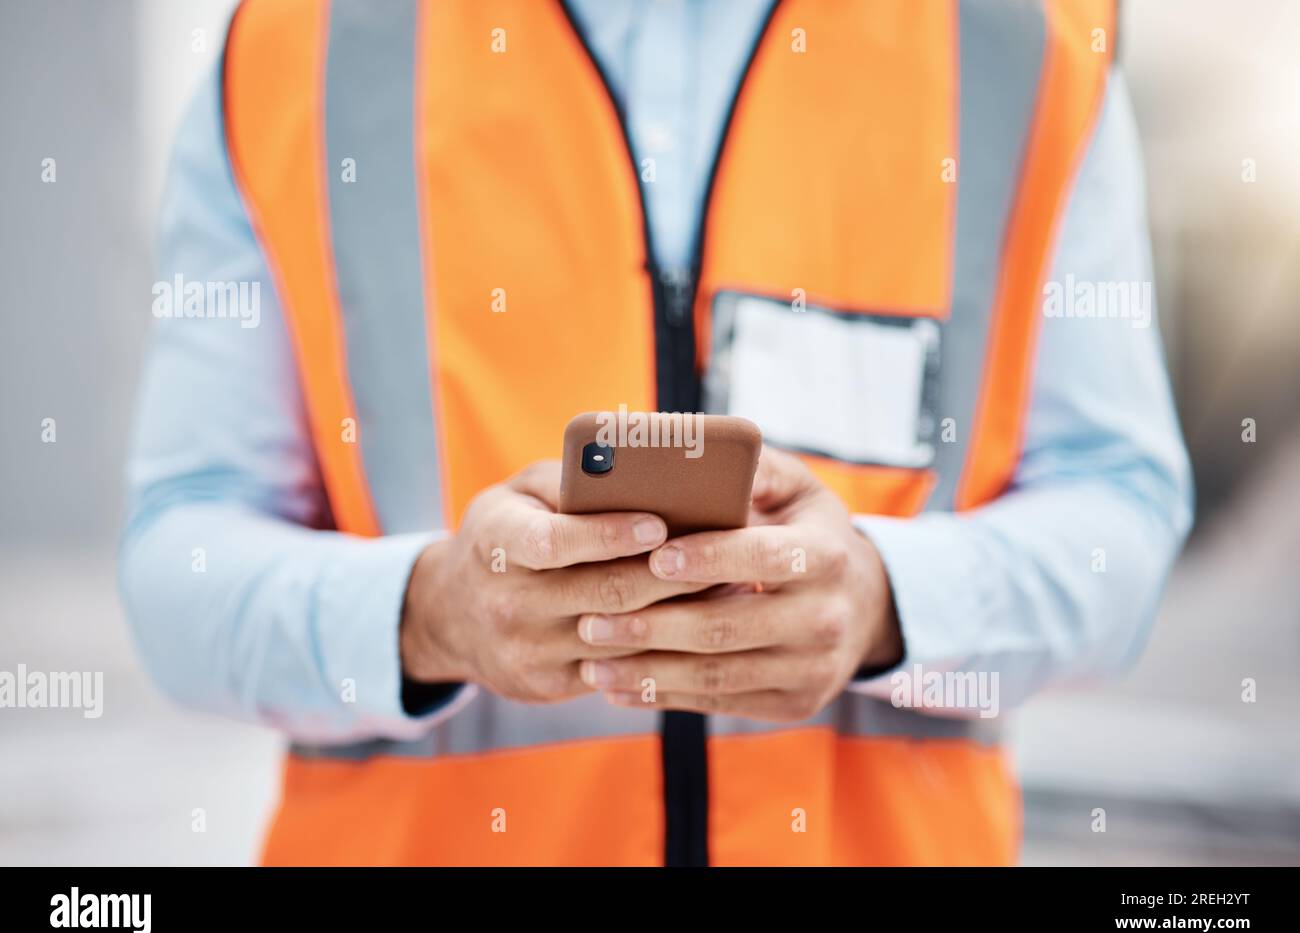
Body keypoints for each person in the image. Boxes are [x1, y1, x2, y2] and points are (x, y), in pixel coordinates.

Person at [120, 0, 1192, 865]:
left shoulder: (1022, 38)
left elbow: (1122, 516)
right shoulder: (295, 48)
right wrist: (428, 616)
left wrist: (885, 602)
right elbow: (179, 559)